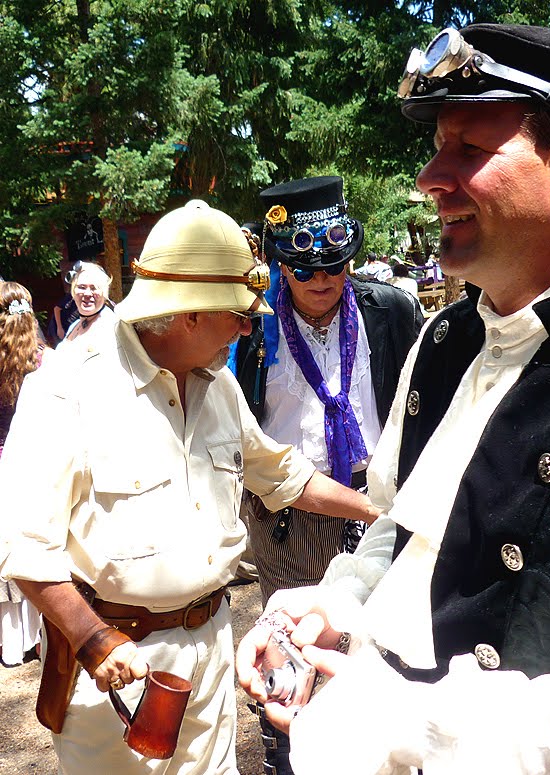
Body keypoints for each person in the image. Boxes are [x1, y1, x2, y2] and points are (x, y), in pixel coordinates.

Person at [238, 23, 550, 774]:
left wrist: (407, 725)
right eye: (438, 148)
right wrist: (336, 606)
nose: (431, 178)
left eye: (468, 150)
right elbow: (401, 529)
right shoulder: (443, 342)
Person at [0, 199, 378, 775]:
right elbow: (24, 548)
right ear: (190, 314)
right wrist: (94, 640)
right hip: (119, 673)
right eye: (238, 314)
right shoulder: (66, 390)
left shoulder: (219, 384)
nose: (250, 327)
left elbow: (281, 474)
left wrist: (380, 514)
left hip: (212, 650)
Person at [235, 176, 424, 774]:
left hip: (374, 494)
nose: (321, 280)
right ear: (280, 267)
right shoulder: (255, 331)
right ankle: (286, 752)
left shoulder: (388, 312)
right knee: (291, 636)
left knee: (373, 627)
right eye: (305, 270)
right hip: (286, 509)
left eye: (334, 267)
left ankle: (371, 748)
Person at [0, 281, 50, 666]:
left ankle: (9, 642)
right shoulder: (45, 359)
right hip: (35, 462)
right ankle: (36, 636)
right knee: (32, 542)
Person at [56, 261, 116, 350]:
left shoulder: (111, 327)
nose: (87, 294)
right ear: (73, 292)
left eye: (94, 288)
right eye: (81, 287)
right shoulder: (74, 325)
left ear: (104, 293)